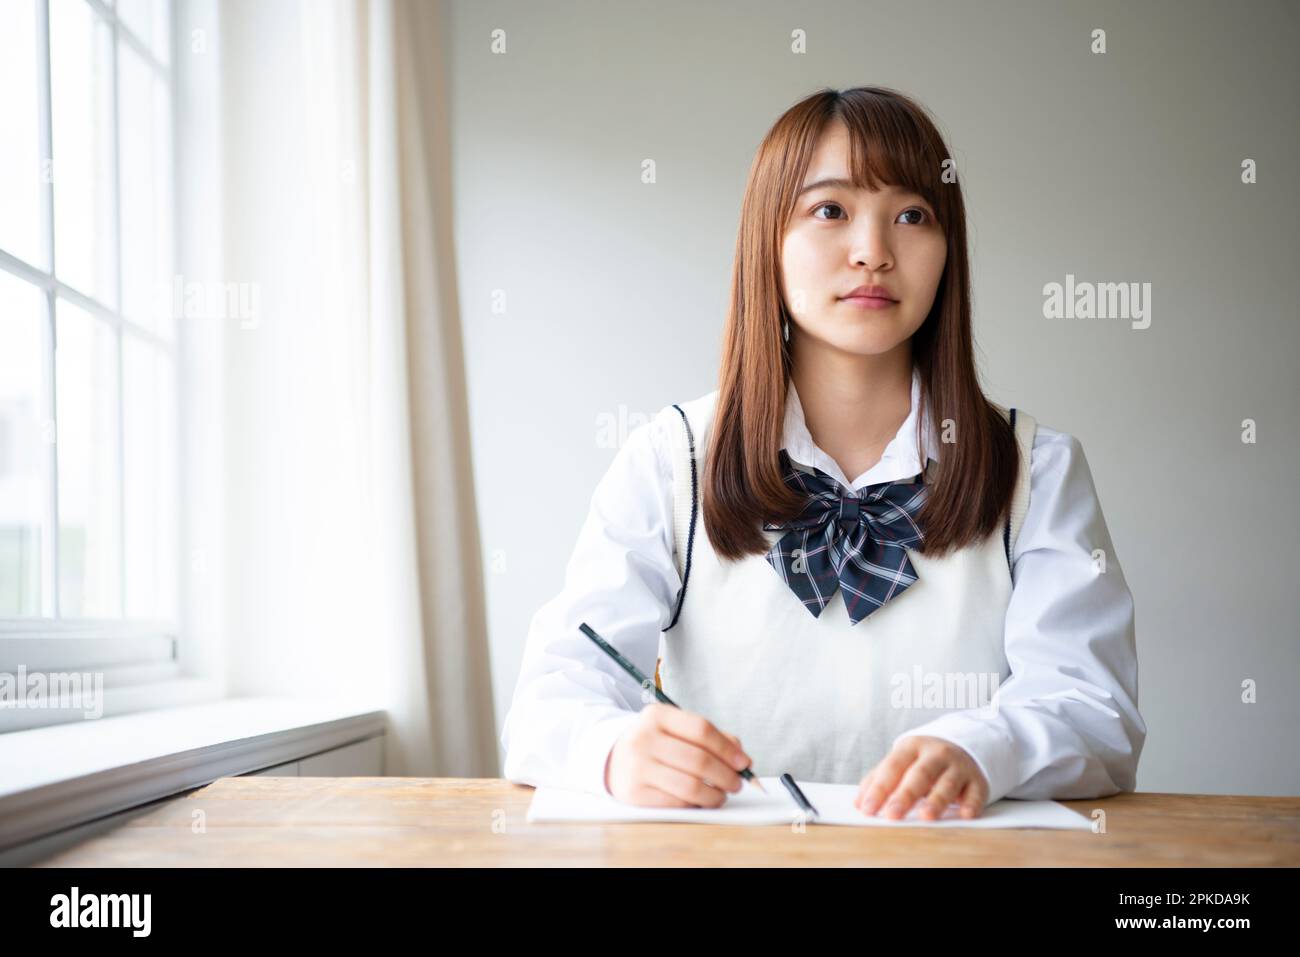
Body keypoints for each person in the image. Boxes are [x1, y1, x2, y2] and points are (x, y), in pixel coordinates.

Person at [500, 86, 1146, 821]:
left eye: (911, 215)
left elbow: (1097, 710)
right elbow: (548, 700)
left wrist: (984, 747)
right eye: (829, 210)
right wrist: (616, 750)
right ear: (766, 240)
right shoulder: (670, 458)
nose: (873, 250)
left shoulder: (1039, 469)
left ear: (947, 251)